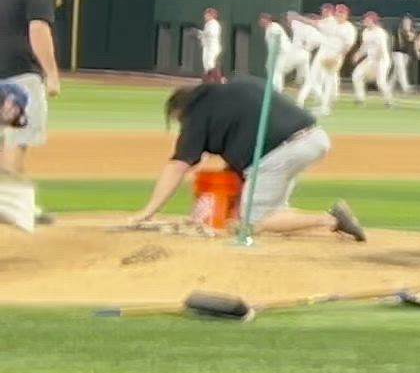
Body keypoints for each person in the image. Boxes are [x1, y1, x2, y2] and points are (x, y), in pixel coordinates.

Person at [127, 69, 367, 243]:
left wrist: (148, 212)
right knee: (272, 209)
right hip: (315, 138)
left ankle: (330, 220)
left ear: (181, 109)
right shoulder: (239, 87)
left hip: (279, 151)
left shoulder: (196, 112)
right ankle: (303, 224)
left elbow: (178, 165)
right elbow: (243, 144)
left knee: (252, 222)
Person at [0, 0, 60, 184]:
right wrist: (52, 74)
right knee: (18, 137)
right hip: (19, 73)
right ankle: (12, 203)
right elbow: (39, 30)